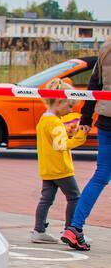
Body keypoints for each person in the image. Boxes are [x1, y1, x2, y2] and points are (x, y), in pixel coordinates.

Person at [65, 36, 111, 251]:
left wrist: (85, 118)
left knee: (100, 176)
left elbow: (95, 84)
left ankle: (74, 228)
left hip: (105, 120)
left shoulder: (106, 47)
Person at [31, 80, 87, 244]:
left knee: (46, 199)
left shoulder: (44, 120)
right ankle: (70, 230)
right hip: (61, 169)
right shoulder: (55, 122)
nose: (71, 110)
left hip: (47, 168)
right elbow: (61, 145)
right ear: (60, 101)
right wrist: (79, 137)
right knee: (74, 197)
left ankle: (38, 230)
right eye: (69, 106)